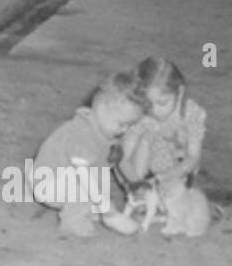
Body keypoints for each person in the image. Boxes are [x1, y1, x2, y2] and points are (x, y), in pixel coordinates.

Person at [32, 72, 146, 237]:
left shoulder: (107, 133)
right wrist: (109, 211)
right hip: (47, 182)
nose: (125, 130)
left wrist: (139, 185)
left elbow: (121, 161)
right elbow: (84, 178)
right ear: (101, 109)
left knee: (97, 181)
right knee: (86, 185)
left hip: (67, 180)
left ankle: (87, 208)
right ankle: (73, 223)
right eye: (122, 124)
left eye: (130, 125)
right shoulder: (82, 133)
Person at [119, 56, 207, 188]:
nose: (155, 110)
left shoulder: (190, 113)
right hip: (143, 173)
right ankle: (140, 192)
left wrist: (166, 178)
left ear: (180, 92)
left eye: (162, 103)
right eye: (148, 104)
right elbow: (124, 157)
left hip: (179, 172)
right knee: (146, 138)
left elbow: (193, 157)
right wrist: (133, 182)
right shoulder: (140, 115)